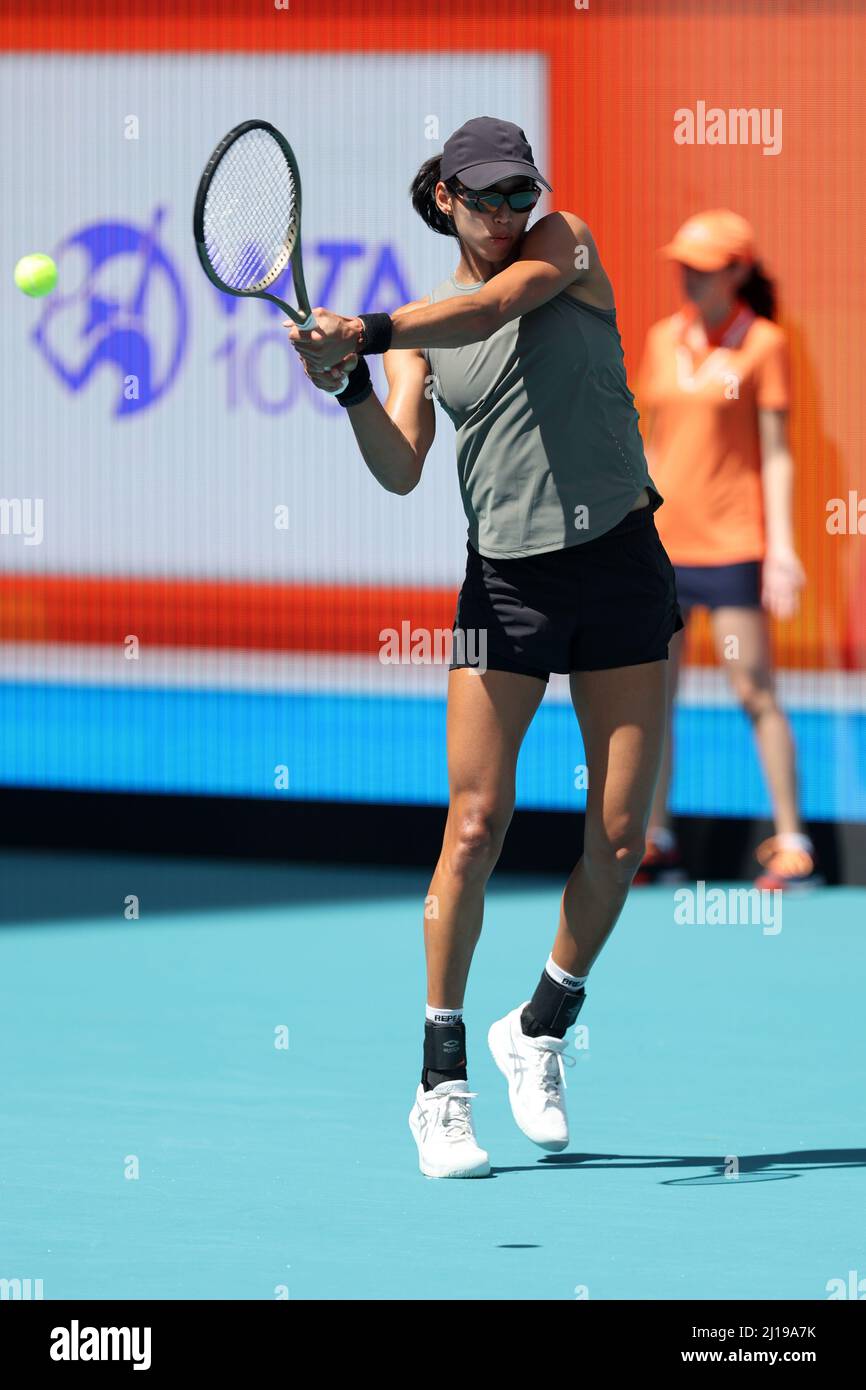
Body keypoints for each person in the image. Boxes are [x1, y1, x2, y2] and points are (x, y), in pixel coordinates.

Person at [287, 117, 682, 1179]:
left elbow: (494, 305)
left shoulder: (565, 248)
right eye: (489, 199)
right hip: (500, 584)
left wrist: (364, 329)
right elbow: (401, 467)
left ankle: (539, 1026)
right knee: (473, 824)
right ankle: (440, 1084)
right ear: (444, 200)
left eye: (520, 194)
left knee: (618, 835)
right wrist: (354, 383)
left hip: (620, 564)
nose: (509, 215)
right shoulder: (416, 331)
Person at [634, 210, 819, 892]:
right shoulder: (661, 340)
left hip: (735, 548)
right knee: (653, 696)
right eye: (683, 263)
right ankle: (658, 841)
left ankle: (794, 844)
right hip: (662, 552)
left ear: (737, 271)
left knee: (754, 691)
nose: (689, 276)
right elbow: (652, 445)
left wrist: (782, 550)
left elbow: (777, 455)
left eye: (705, 266)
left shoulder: (764, 345)